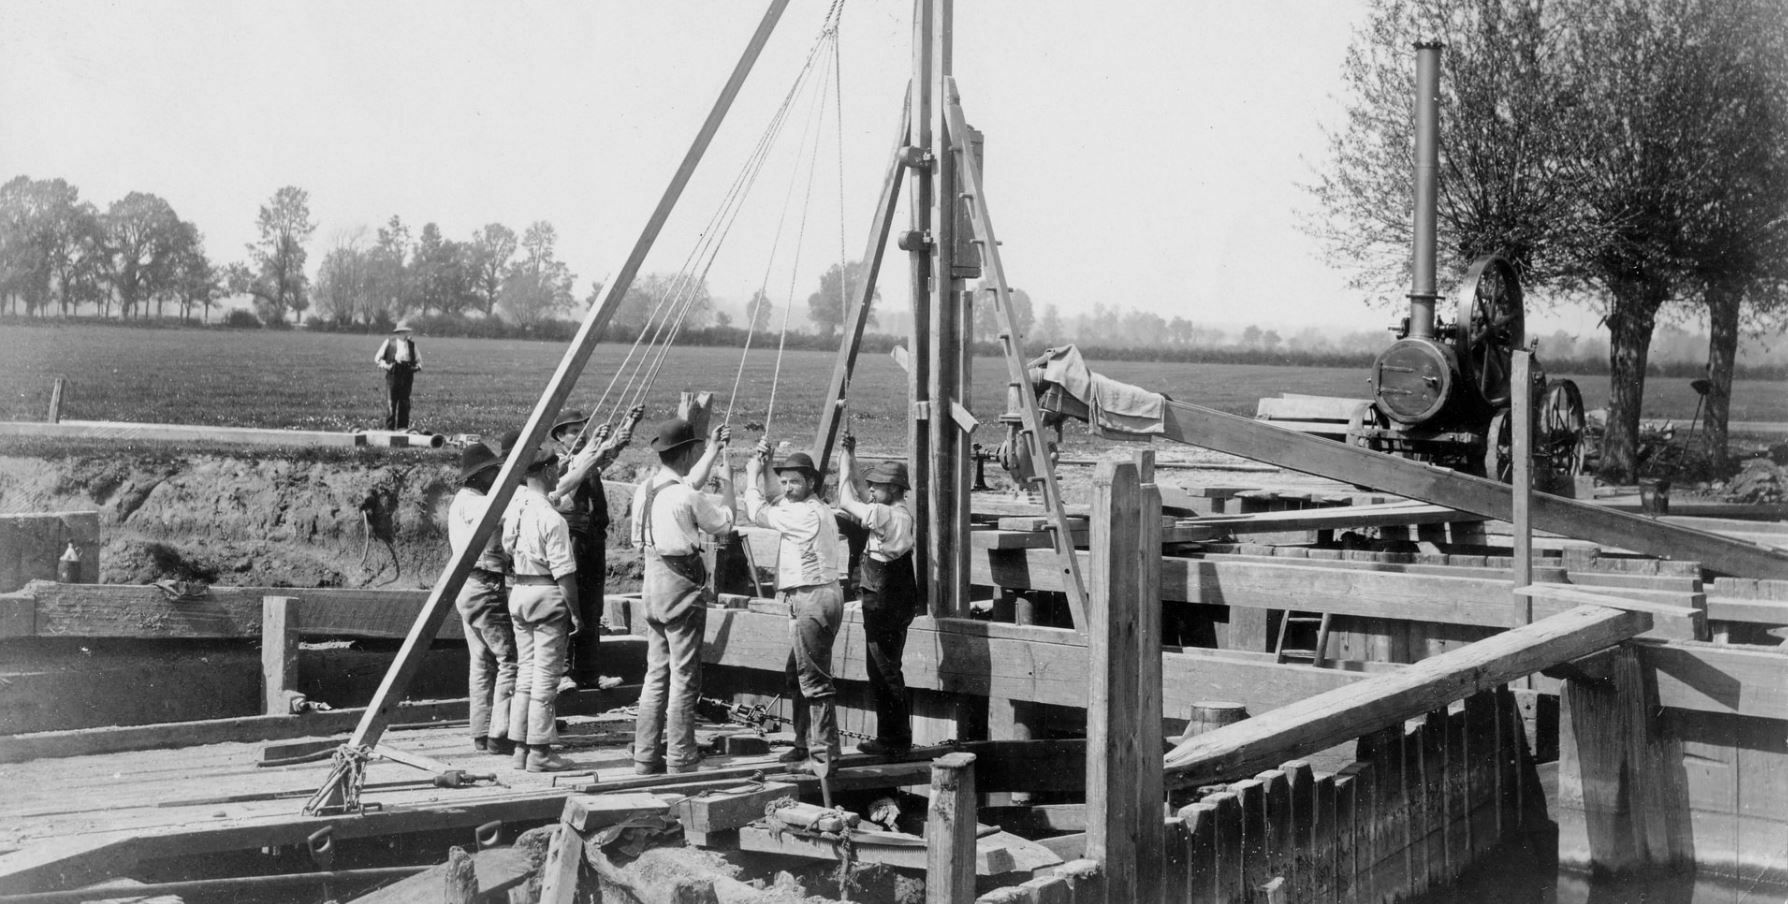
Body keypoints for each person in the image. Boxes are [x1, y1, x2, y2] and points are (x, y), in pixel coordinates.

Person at [630, 418, 734, 775]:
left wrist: (713, 449)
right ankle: (681, 755)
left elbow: (687, 483)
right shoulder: (686, 496)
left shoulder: (646, 489)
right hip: (681, 588)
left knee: (655, 674)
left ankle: (645, 755)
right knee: (684, 675)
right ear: (688, 452)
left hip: (653, 583)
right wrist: (729, 483)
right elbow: (723, 523)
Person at [741, 440, 845, 768]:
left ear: (812, 482)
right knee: (797, 674)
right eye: (784, 481)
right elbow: (778, 498)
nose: (787, 488)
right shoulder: (811, 505)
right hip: (816, 596)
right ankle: (804, 744)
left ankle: (824, 756)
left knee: (813, 680)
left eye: (794, 482)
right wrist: (771, 466)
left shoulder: (804, 514)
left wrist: (751, 475)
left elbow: (759, 511)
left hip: (812, 598)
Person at [547, 406, 643, 689]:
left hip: (593, 538)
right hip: (571, 536)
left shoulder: (589, 457)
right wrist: (595, 446)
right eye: (574, 432)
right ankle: (562, 673)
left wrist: (630, 422)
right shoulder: (558, 463)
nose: (581, 435)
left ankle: (589, 671)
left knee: (592, 605)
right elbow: (579, 470)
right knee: (568, 604)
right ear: (560, 437)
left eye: (582, 430)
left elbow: (611, 451)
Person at [499, 440, 580, 773]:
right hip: (546, 593)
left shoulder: (517, 508)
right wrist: (575, 611)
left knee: (526, 674)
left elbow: (506, 549)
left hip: (519, 590)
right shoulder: (551, 518)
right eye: (556, 469)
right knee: (546, 678)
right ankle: (540, 752)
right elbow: (564, 572)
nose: (558, 474)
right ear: (547, 471)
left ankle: (520, 747)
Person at [834, 434, 916, 755]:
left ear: (893, 490)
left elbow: (846, 499)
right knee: (885, 667)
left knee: (883, 669)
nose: (871, 489)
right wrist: (850, 455)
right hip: (894, 595)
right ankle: (893, 738)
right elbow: (860, 487)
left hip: (883, 600)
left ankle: (894, 741)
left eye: (877, 486)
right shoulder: (896, 511)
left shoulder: (885, 514)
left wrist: (842, 466)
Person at [446, 442, 519, 756]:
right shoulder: (477, 504)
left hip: (466, 584)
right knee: (509, 658)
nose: (497, 474)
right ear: (479, 475)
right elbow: (503, 513)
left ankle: (481, 729)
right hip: (484, 582)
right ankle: (500, 732)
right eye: (493, 471)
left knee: (482, 660)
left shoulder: (461, 501)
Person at [373, 322, 421, 430]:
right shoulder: (389, 342)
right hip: (393, 374)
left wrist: (417, 367)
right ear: (398, 332)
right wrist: (386, 365)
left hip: (407, 374)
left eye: (406, 331)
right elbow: (377, 358)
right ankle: (389, 430)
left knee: (404, 403)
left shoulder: (412, 345)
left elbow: (419, 360)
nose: (404, 334)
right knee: (391, 403)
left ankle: (402, 429)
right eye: (402, 332)